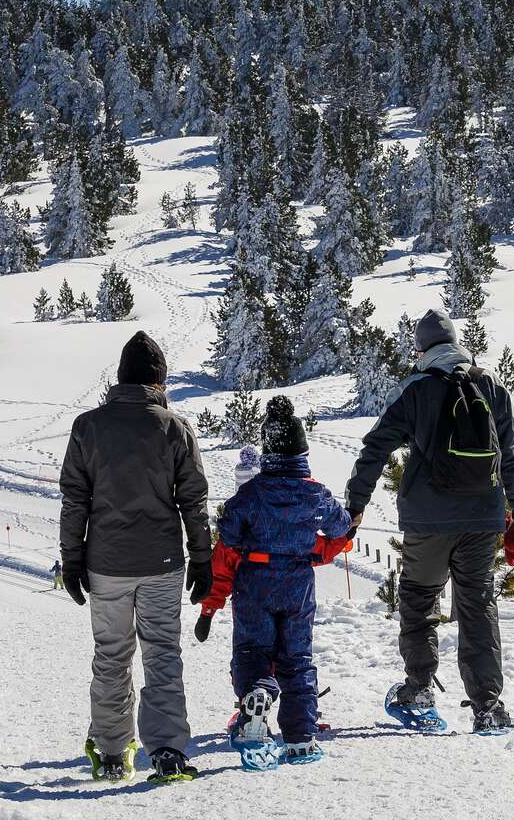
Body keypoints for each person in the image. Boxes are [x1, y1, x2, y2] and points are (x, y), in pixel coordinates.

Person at [346, 309, 514, 735]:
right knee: (477, 604)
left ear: (421, 348)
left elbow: (374, 449)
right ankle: (488, 705)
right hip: (484, 519)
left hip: (427, 520)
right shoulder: (491, 386)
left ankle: (419, 688)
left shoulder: (415, 389)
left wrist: (355, 507)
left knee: (419, 597)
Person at [59, 331, 211, 784]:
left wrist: (71, 560)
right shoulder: (174, 427)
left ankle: (110, 752)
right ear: (158, 381)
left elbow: (74, 500)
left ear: (120, 379)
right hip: (162, 563)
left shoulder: (88, 426)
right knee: (162, 653)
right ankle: (166, 752)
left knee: (111, 654)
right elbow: (194, 500)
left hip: (105, 564)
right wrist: (202, 559)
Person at [193, 397, 353, 768]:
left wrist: (210, 605)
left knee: (253, 651)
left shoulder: (249, 495)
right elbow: (341, 527)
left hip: (254, 582)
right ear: (303, 451)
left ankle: (256, 696)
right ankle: (300, 738)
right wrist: (320, 544)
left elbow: (228, 543)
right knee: (297, 659)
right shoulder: (315, 493)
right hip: (298, 582)